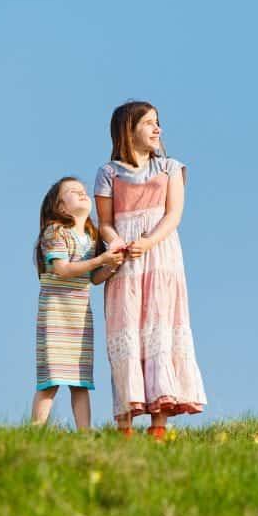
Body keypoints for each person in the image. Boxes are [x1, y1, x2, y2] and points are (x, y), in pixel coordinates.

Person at [94, 101, 207, 439]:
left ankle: (159, 424)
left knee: (160, 326)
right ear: (128, 131)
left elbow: (173, 215)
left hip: (161, 257)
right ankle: (126, 425)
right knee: (127, 327)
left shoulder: (170, 168)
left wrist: (149, 242)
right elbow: (105, 222)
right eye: (148, 123)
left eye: (157, 122)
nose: (157, 129)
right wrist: (116, 243)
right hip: (126, 260)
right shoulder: (108, 172)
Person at [32, 177, 124, 429]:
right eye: (73, 191)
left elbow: (93, 278)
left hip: (80, 319)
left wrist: (112, 266)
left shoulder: (91, 237)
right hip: (55, 317)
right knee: (50, 381)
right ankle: (35, 430)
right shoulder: (55, 232)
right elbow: (62, 269)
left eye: (83, 191)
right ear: (60, 207)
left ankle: (85, 433)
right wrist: (101, 260)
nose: (82, 194)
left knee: (80, 381)